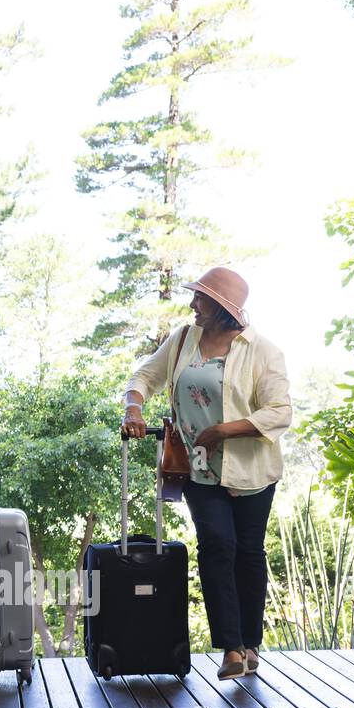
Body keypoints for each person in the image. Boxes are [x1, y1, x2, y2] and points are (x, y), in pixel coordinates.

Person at [121, 267, 292, 681]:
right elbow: (145, 375)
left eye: (200, 299)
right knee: (217, 546)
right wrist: (134, 407)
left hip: (252, 470)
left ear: (222, 308)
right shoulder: (184, 339)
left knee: (248, 554)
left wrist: (221, 431)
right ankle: (232, 649)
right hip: (197, 468)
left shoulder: (262, 350)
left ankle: (251, 645)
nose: (192, 304)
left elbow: (279, 411)